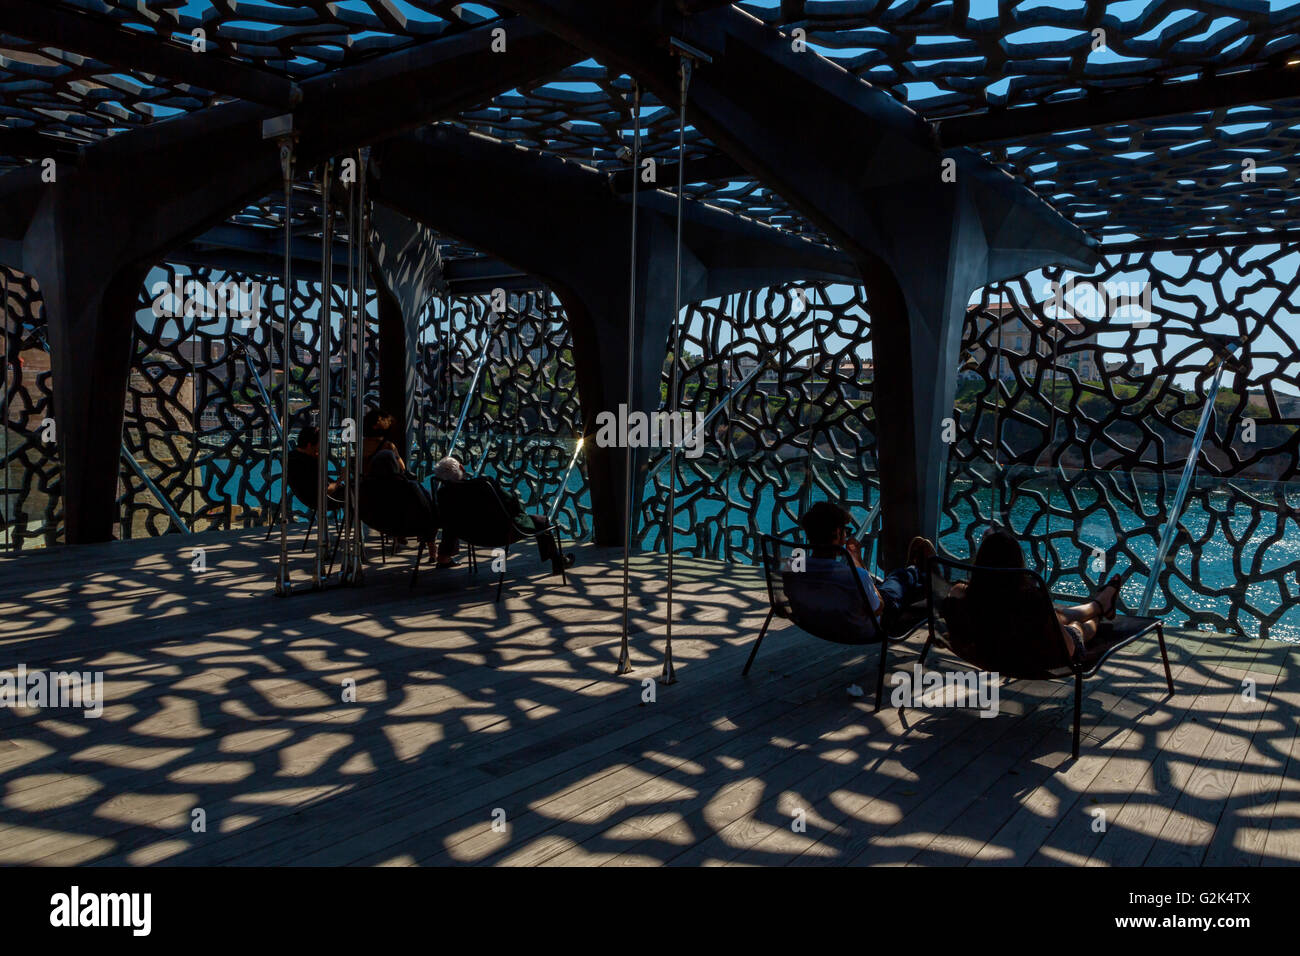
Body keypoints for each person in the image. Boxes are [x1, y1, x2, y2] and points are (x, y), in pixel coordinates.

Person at [955, 526, 1121, 657]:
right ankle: (1098, 614)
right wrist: (1075, 631)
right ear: (1017, 564)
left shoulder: (965, 594)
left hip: (991, 651)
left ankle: (1098, 605)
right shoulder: (1030, 600)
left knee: (1058, 616)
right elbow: (1068, 647)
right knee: (1076, 627)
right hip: (1035, 656)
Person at [797, 500, 933, 636]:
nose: (846, 536)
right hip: (866, 628)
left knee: (896, 580)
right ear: (838, 533)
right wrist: (857, 560)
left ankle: (917, 573)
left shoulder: (794, 567)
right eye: (846, 531)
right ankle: (922, 571)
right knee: (900, 578)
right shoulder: (853, 577)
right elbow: (879, 608)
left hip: (819, 623)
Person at [434, 456, 574, 573]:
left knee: (452, 518)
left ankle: (444, 557)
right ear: (462, 468)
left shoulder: (443, 494)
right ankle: (558, 561)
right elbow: (512, 505)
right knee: (542, 521)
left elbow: (447, 521)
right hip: (500, 533)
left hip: (469, 534)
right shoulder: (484, 485)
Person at [287, 425, 342, 507]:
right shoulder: (307, 462)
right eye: (319, 445)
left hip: (308, 499)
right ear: (309, 445)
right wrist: (340, 479)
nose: (321, 448)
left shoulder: (290, 457)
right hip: (320, 500)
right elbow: (325, 491)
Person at [362, 408, 404, 476]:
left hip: (367, 483)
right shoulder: (388, 446)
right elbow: (402, 468)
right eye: (384, 420)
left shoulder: (362, 444)